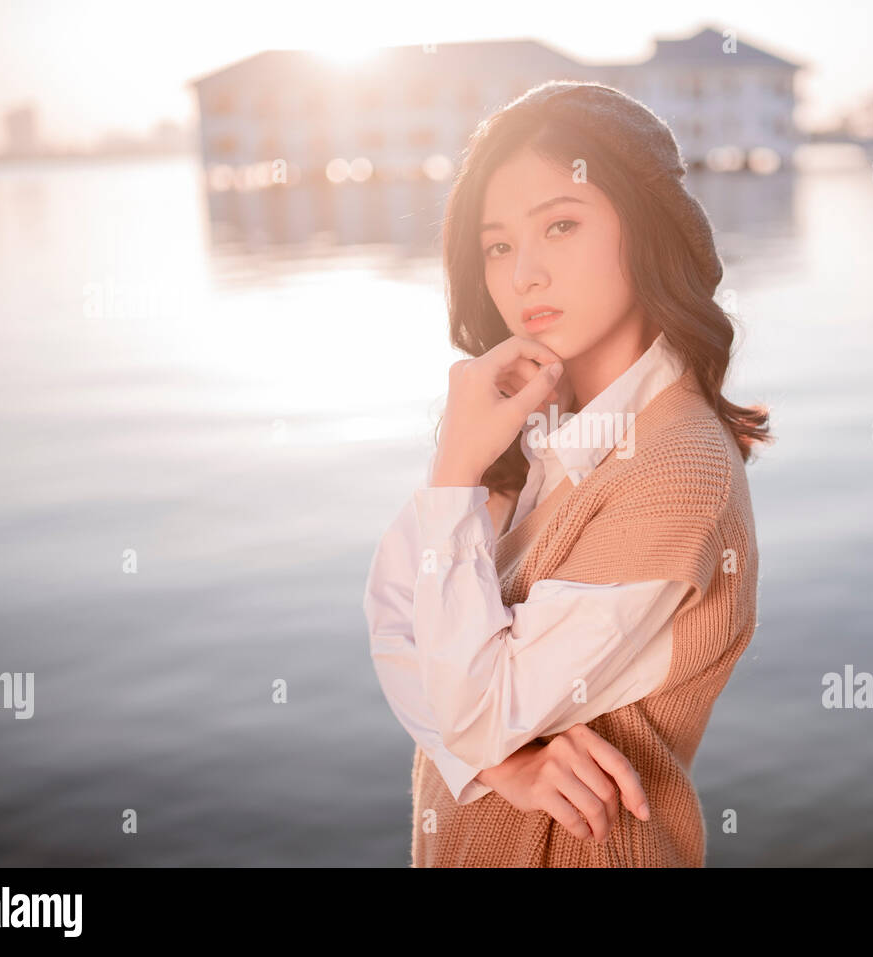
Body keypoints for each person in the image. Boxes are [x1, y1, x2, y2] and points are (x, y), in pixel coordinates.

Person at [363, 80, 772, 867]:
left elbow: (476, 709)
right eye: (499, 245)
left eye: (560, 224)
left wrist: (453, 470)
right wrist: (497, 763)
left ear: (647, 229)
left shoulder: (675, 472)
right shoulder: (527, 421)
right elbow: (393, 614)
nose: (524, 276)